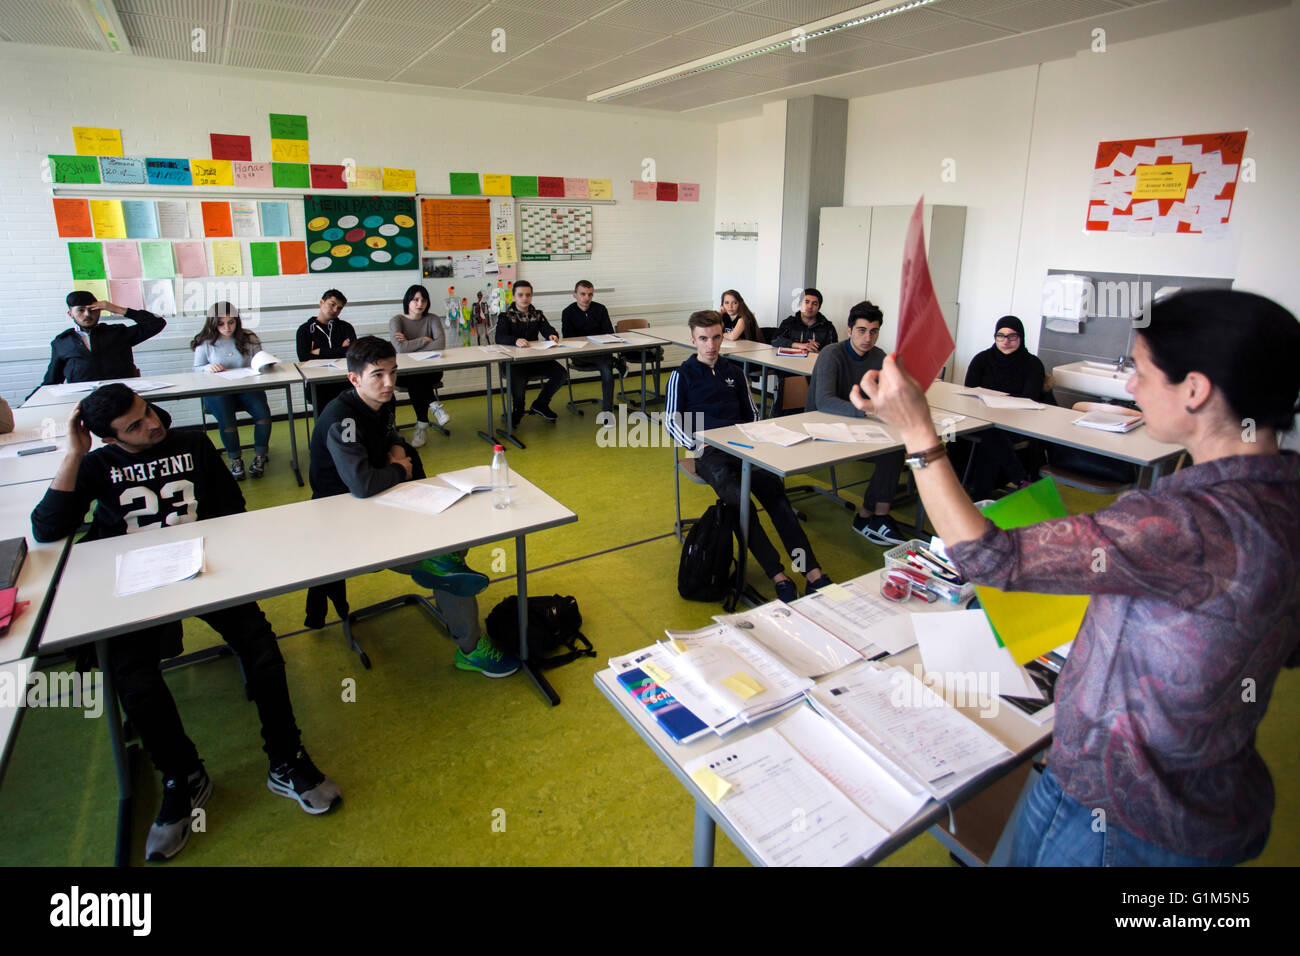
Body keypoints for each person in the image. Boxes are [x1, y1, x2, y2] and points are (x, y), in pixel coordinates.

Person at [850, 289, 1300, 867]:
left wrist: (917, 432)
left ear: (1195, 389)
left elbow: (989, 560)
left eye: (1140, 370)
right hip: (1215, 797)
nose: (1131, 386)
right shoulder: (1282, 498)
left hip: (1116, 813)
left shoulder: (1181, 523)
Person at [30, 384, 340, 863]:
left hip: (203, 566)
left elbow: (232, 508)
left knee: (261, 646)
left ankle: (286, 757)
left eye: (147, 411)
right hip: (135, 581)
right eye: (133, 426)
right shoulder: (95, 465)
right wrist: (74, 453)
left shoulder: (193, 442)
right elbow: (48, 528)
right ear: (109, 439)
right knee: (132, 677)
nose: (151, 423)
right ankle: (181, 774)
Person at [306, 336, 518, 678]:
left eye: (393, 372)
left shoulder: (381, 402)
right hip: (344, 517)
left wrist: (398, 452)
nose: (389, 383)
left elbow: (391, 437)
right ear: (354, 379)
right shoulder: (342, 419)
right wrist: (400, 468)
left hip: (385, 500)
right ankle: (470, 648)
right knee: (447, 562)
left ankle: (442, 567)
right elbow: (360, 485)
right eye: (377, 375)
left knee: (458, 532)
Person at [666, 310, 833, 602]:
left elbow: (753, 415)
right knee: (742, 503)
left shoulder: (734, 372)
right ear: (693, 340)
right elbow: (670, 420)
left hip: (744, 450)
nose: (711, 345)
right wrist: (696, 446)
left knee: (778, 500)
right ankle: (777, 574)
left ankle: (811, 571)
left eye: (717, 337)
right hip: (710, 454)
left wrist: (757, 442)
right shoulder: (681, 375)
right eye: (704, 339)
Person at [807, 301, 909, 545]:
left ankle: (874, 516)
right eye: (862, 330)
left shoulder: (879, 356)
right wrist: (867, 411)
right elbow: (824, 402)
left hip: (859, 426)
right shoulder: (832, 353)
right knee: (890, 450)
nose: (868, 337)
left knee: (896, 448)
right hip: (824, 427)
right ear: (849, 329)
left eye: (874, 331)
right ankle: (868, 519)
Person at [962, 315, 1046, 499]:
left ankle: (981, 495)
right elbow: (970, 391)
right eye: (1001, 336)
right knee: (980, 432)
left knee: (991, 435)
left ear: (1021, 338)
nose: (1006, 341)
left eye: (1012, 336)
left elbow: (1029, 399)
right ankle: (1020, 479)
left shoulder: (1032, 364)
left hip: (1017, 422)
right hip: (980, 417)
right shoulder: (982, 359)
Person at [192, 302, 273, 480]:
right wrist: (208, 368)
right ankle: (235, 459)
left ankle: (260, 455)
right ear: (213, 323)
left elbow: (258, 360)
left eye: (231, 322)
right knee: (227, 420)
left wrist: (264, 363)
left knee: (263, 415)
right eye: (221, 323)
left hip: (246, 386)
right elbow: (197, 368)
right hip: (218, 389)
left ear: (237, 321)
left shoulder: (249, 337)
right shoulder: (204, 342)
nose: (227, 327)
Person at [33, 291, 166, 397]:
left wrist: (115, 308)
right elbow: (51, 381)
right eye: (80, 310)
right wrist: (28, 402)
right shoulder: (62, 342)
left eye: (93, 309)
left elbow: (156, 323)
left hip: (121, 397)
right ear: (70, 314)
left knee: (162, 418)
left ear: (100, 311)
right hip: (83, 401)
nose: (87, 314)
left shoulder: (117, 333)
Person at [495, 280, 566, 428]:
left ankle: (541, 404)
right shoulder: (505, 316)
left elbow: (548, 329)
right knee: (519, 380)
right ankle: (518, 411)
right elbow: (499, 337)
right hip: (514, 362)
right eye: (520, 295)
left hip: (535, 358)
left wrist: (552, 335)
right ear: (514, 297)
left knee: (560, 373)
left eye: (528, 295)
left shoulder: (537, 314)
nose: (524, 298)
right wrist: (515, 340)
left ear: (531, 296)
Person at [389, 284, 446, 448]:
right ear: (408, 301)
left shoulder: (432, 318)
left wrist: (409, 342)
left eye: (423, 300)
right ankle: (433, 407)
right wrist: (424, 340)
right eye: (415, 299)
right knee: (415, 378)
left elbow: (440, 344)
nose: (420, 303)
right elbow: (399, 349)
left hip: (431, 371)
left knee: (417, 379)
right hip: (404, 374)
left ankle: (422, 424)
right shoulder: (396, 321)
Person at [561, 279, 626, 414]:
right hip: (580, 355)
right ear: (575, 295)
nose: (586, 298)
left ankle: (607, 412)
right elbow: (569, 337)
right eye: (583, 294)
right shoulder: (568, 312)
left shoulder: (600, 309)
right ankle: (616, 362)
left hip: (601, 353)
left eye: (590, 294)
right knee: (607, 364)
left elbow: (608, 332)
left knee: (606, 370)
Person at [296, 289, 357, 414]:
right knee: (325, 414)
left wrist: (319, 352)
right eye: (332, 304)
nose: (335, 310)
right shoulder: (305, 330)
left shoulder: (345, 327)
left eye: (339, 308)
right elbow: (304, 358)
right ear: (321, 302)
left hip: (344, 379)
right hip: (318, 383)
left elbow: (353, 353)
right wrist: (340, 349)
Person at [772, 287, 836, 354]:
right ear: (799, 304)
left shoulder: (828, 327)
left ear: (818, 308)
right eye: (806, 302)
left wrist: (817, 353)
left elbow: (833, 352)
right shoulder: (789, 322)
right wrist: (800, 346)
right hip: (790, 362)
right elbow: (775, 341)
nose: (810, 306)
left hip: (815, 363)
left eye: (814, 304)